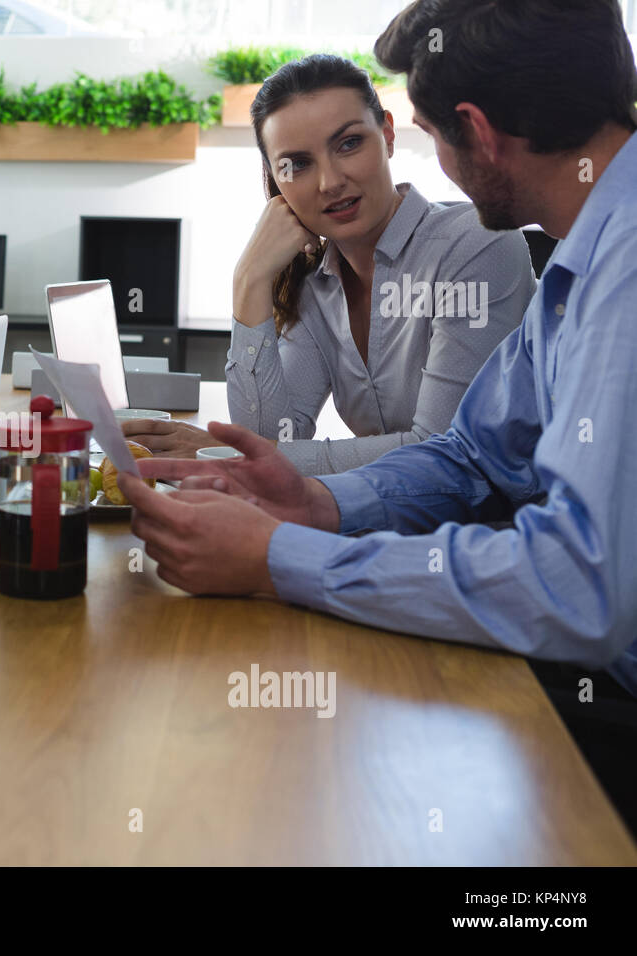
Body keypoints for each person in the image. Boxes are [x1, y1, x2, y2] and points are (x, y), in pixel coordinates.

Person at [119, 0, 637, 831]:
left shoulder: (615, 265)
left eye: (419, 133)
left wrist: (284, 557)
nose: (330, 180)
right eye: (296, 164)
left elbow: (578, 584)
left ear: (475, 131)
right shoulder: (588, 255)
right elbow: (472, 453)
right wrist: (314, 504)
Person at [123, 54, 534, 475]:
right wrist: (249, 280)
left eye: (349, 143)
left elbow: (443, 452)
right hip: (390, 522)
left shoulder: (476, 244)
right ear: (275, 179)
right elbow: (271, 434)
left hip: (494, 531)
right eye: (298, 164)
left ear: (388, 134)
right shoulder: (317, 283)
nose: (330, 182)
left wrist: (239, 456)